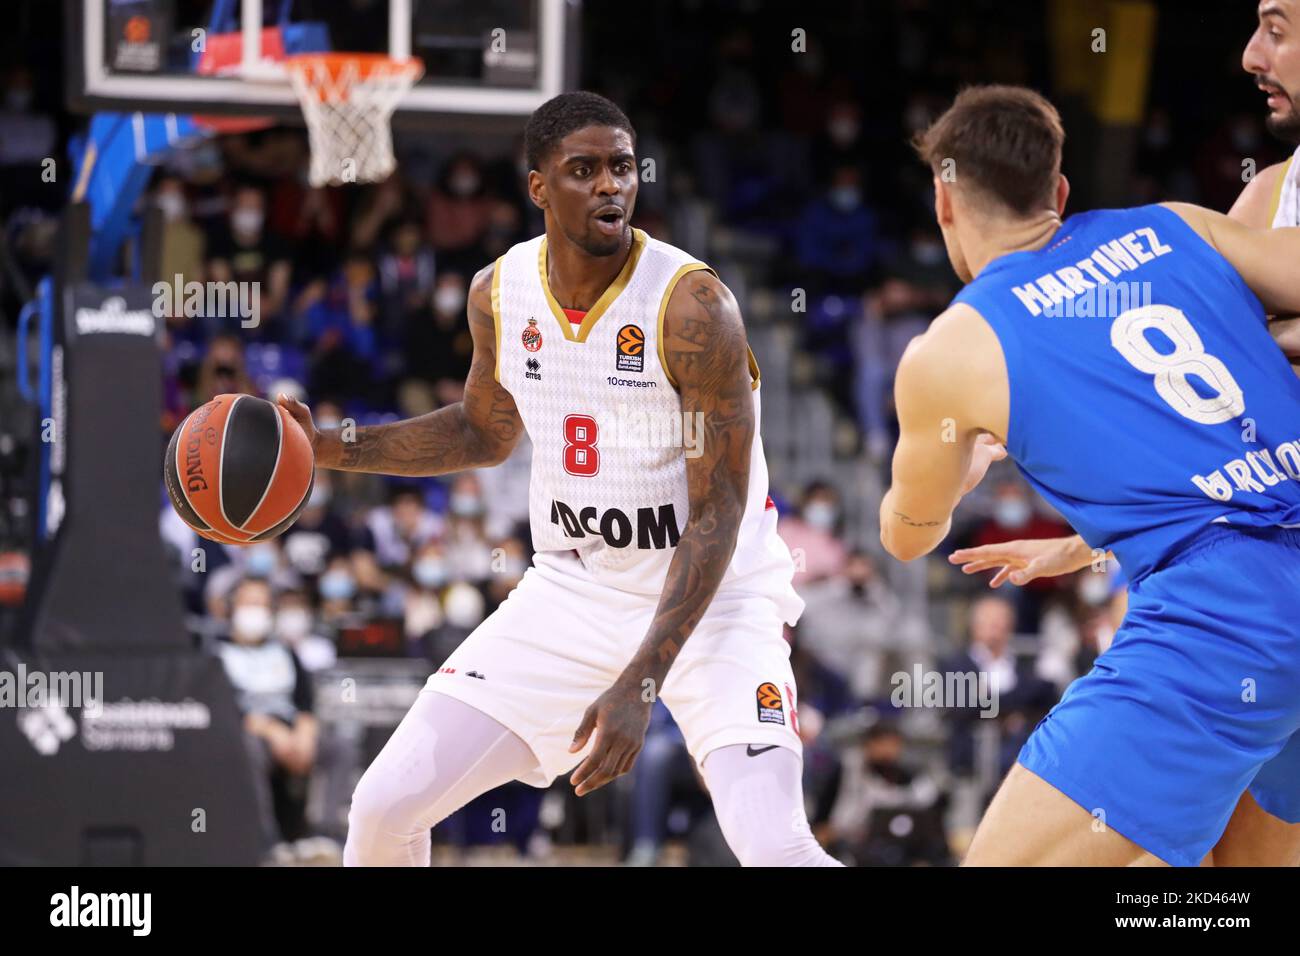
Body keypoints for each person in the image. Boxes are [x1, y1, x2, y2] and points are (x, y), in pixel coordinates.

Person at [279, 91, 838, 867]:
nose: (611, 185)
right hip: (572, 592)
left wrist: (643, 684)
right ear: (538, 185)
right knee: (382, 807)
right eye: (585, 170)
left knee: (775, 846)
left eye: (621, 167)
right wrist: (330, 448)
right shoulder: (498, 293)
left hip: (717, 599)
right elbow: (483, 432)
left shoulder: (693, 305)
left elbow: (721, 504)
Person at [879, 84, 1300, 866]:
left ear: (944, 199)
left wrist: (966, 468)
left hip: (1224, 622)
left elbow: (907, 536)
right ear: (1060, 192)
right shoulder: (1177, 225)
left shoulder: (954, 349)